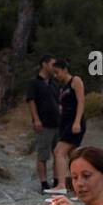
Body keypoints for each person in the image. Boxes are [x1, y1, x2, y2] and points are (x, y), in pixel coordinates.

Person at [48, 60, 86, 193]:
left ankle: (61, 185)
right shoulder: (63, 88)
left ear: (65, 70)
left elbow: (81, 102)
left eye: (57, 72)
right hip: (65, 123)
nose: (55, 75)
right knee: (74, 156)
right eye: (54, 73)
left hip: (74, 122)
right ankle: (78, 188)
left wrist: (77, 121)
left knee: (59, 151)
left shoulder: (75, 81)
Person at [25, 54, 60, 194]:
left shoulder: (54, 83)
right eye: (52, 64)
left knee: (58, 154)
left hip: (57, 123)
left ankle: (57, 181)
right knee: (43, 154)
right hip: (43, 124)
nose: (55, 68)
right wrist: (36, 119)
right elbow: (31, 101)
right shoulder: (34, 83)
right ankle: (44, 183)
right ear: (44, 64)